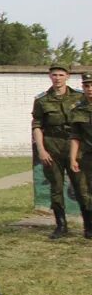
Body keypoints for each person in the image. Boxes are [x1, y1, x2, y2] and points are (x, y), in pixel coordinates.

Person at [33, 64, 83, 238]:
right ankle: (61, 225)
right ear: (50, 77)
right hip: (52, 146)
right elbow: (37, 126)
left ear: (67, 76)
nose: (57, 78)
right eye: (54, 75)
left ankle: (88, 226)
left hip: (74, 145)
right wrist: (41, 149)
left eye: (61, 75)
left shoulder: (79, 97)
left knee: (81, 185)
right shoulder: (42, 100)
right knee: (56, 187)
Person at [67, 72, 92, 239]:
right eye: (87, 85)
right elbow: (75, 136)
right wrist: (73, 158)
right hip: (87, 157)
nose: (90, 89)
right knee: (85, 192)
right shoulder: (78, 109)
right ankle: (89, 228)